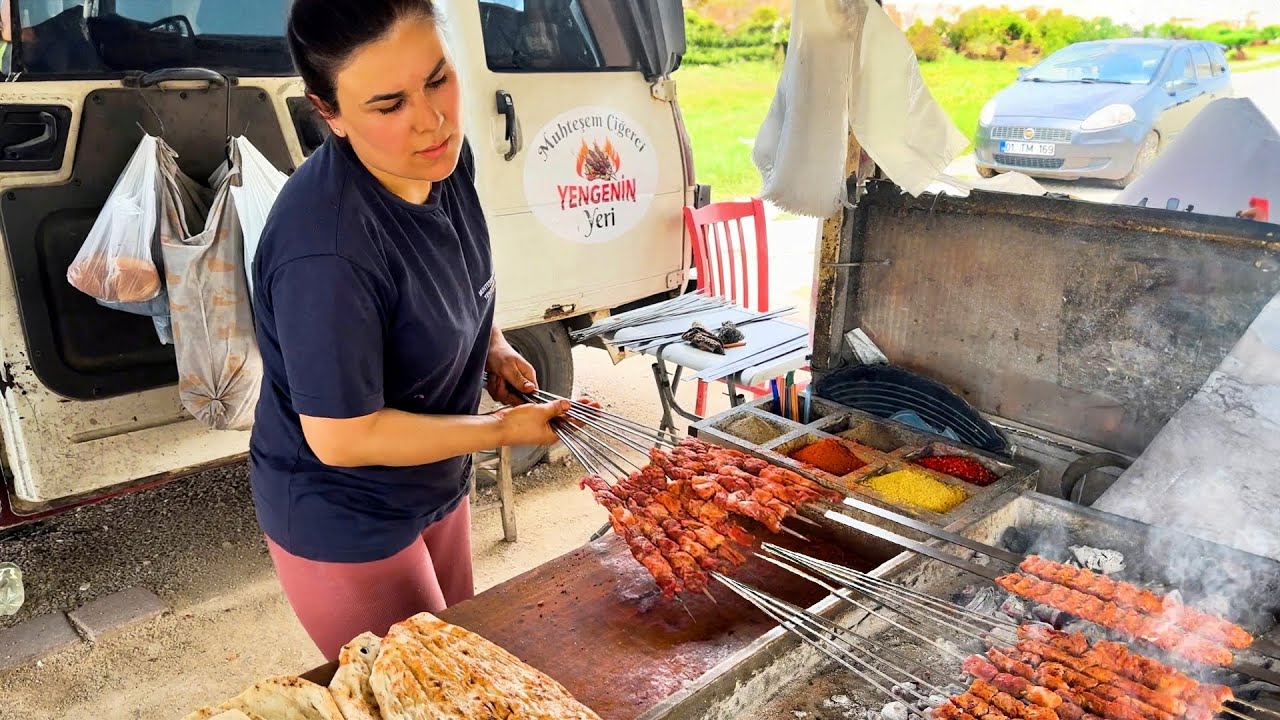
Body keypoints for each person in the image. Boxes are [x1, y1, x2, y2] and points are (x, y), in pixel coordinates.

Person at [251, 0, 574, 661]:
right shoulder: (328, 248)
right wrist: (498, 432)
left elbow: (455, 266)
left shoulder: (445, 161)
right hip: (344, 510)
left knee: (468, 657)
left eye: (438, 79)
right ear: (329, 112)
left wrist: (493, 345)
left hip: (433, 478)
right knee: (425, 694)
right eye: (388, 104)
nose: (430, 120)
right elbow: (343, 436)